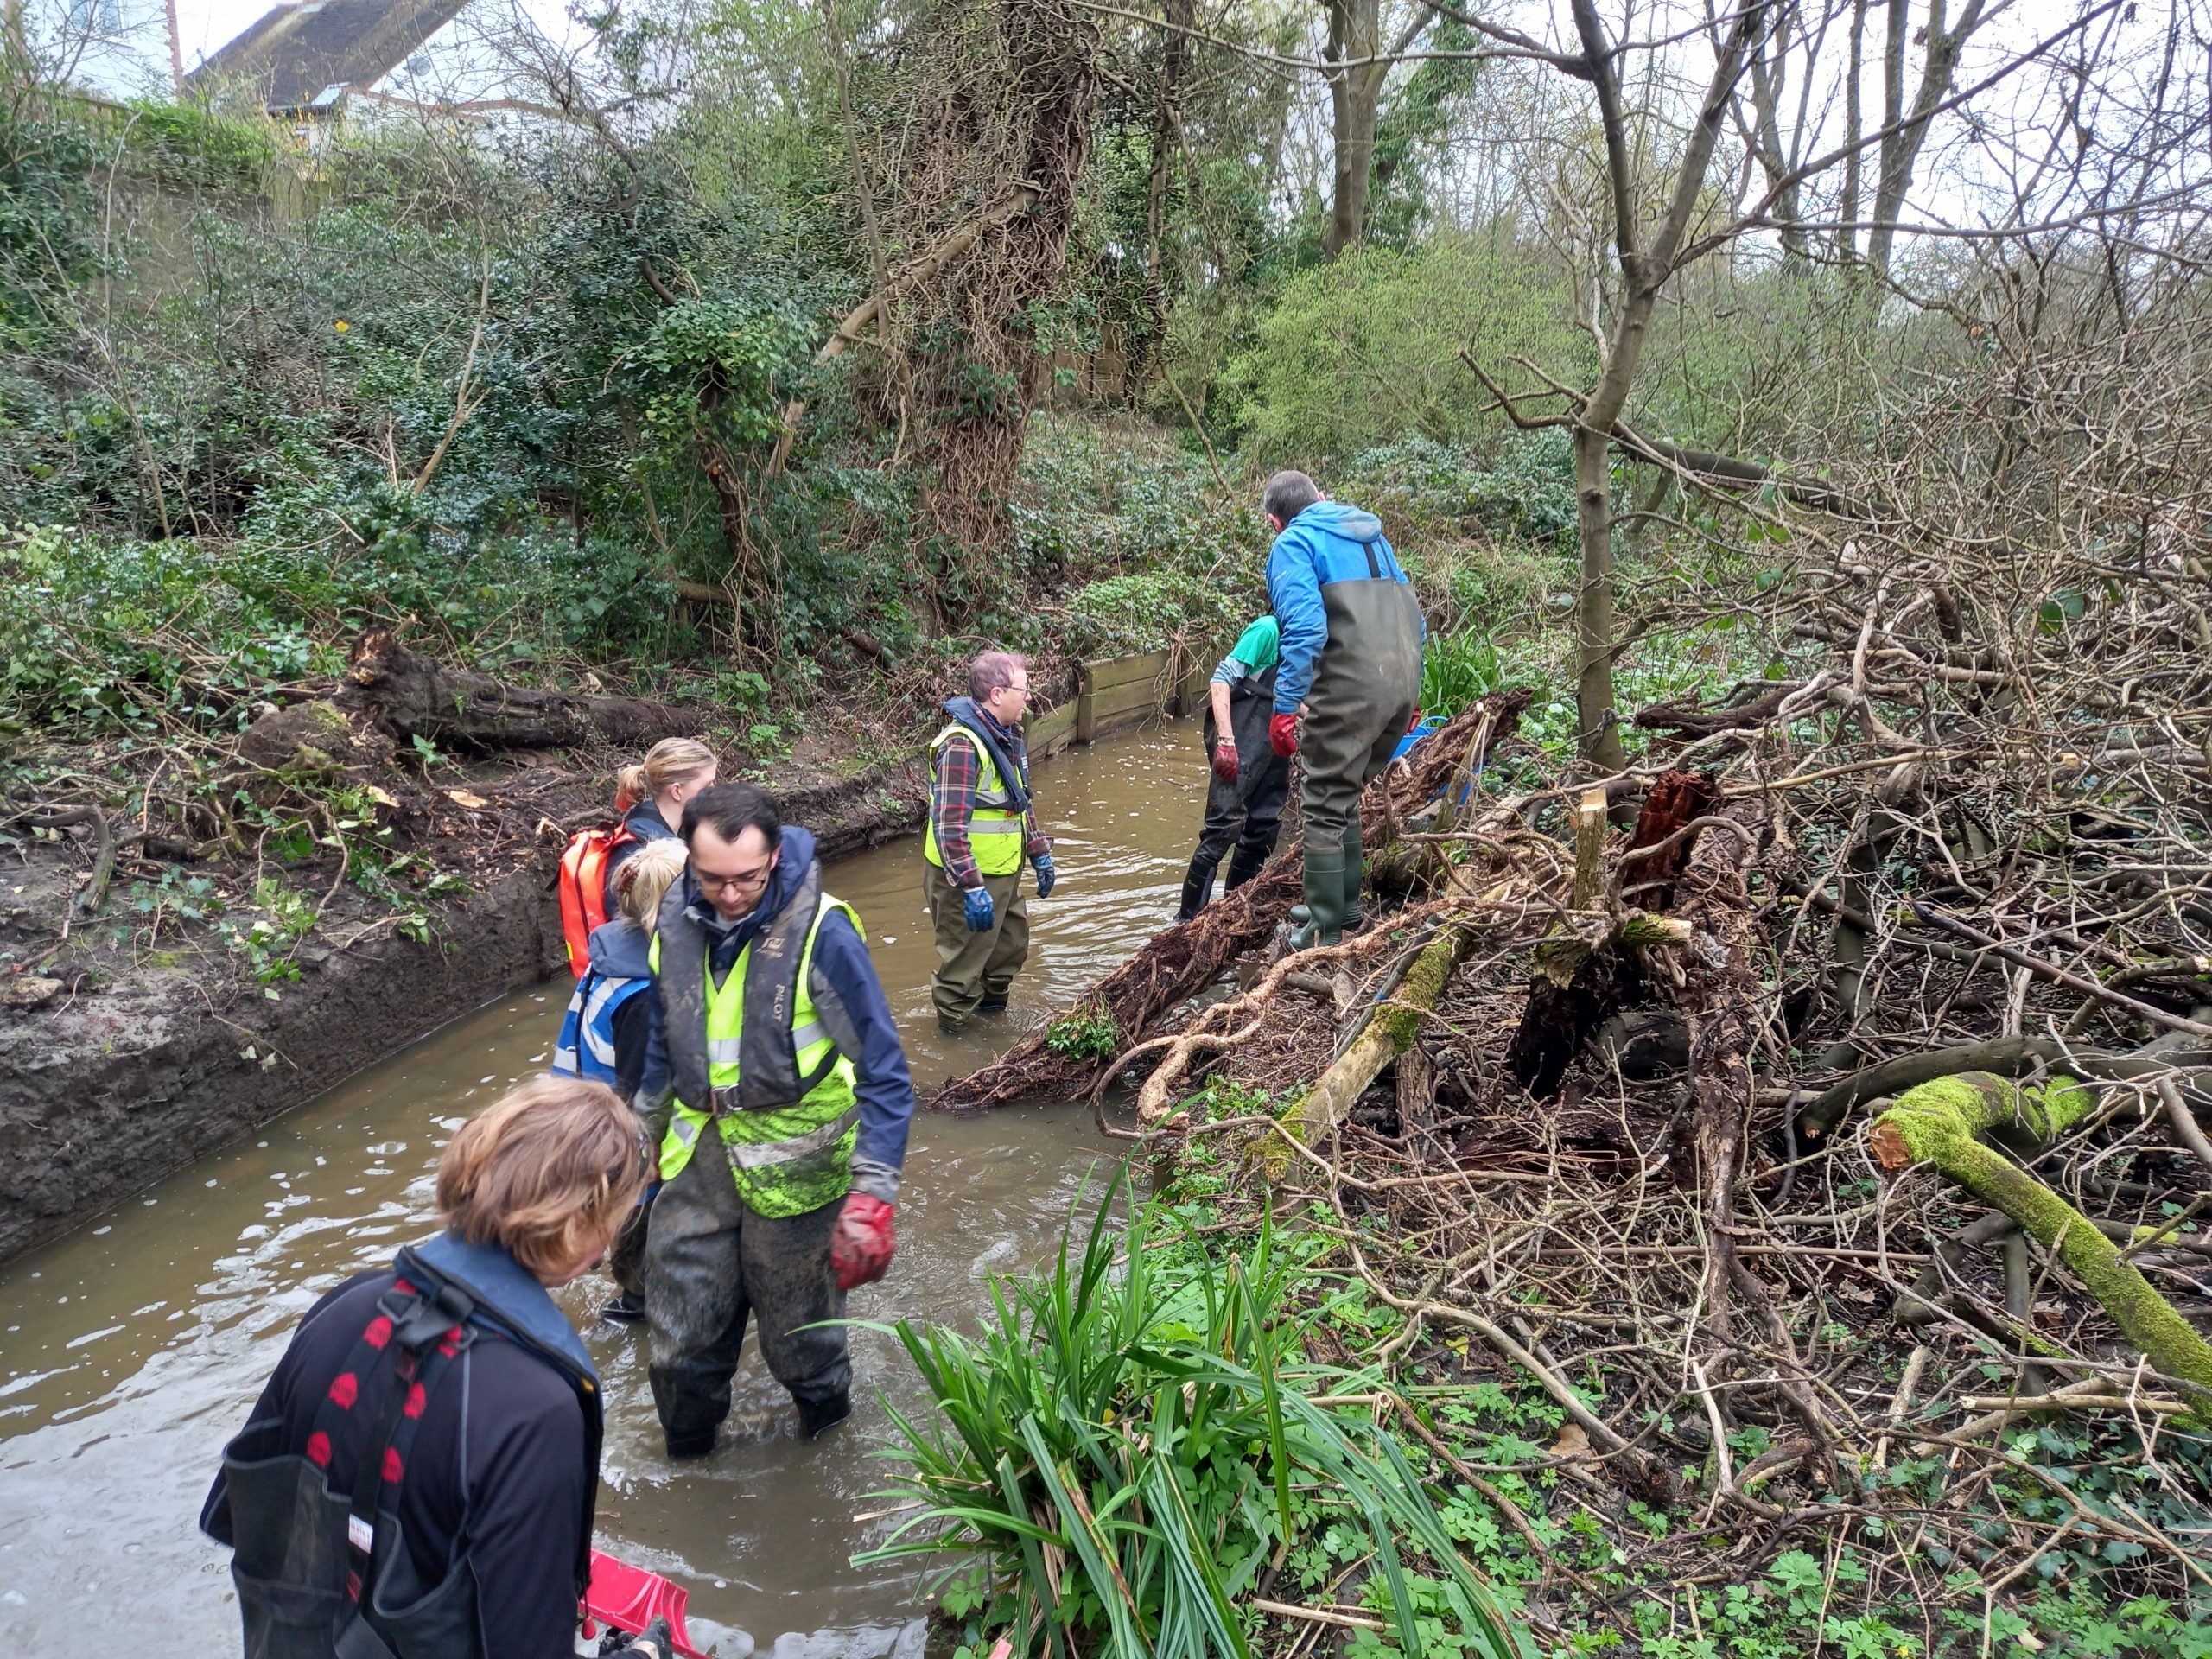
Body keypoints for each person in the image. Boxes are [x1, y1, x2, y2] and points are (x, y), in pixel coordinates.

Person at [200, 1077, 656, 1659]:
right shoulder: (538, 1408)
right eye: (619, 1217)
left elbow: (241, 1519)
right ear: (581, 1224)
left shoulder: (345, 1307)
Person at [637, 781, 914, 1456]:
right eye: (711, 880)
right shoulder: (672, 923)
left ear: (775, 859)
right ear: (688, 864)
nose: (729, 896)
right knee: (680, 1346)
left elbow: (886, 1073)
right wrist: (631, 1146)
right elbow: (658, 1050)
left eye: (748, 880)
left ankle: (826, 1446)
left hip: (799, 1175)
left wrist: (873, 1195)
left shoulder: (825, 936)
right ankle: (689, 1465)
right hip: (698, 1164)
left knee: (803, 1345)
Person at [1263, 470, 1423, 948]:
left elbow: (1307, 630)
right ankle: (1343, 906)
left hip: (1352, 686)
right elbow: (1414, 616)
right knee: (1346, 793)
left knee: (1324, 799)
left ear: (1275, 521)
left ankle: (1325, 928)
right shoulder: (1372, 536)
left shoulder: (1293, 543)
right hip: (1399, 681)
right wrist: (1410, 691)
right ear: (1322, 498)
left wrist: (1285, 706)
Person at [552, 836, 690, 1324]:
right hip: (629, 1143)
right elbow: (643, 1091)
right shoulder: (645, 994)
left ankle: (637, 1294)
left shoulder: (611, 956)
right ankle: (641, 1302)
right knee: (643, 1225)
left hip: (591, 1123)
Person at [922, 650, 1058, 1033]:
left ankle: (990, 1026)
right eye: (1023, 688)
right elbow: (949, 827)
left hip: (1003, 871)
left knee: (1009, 951)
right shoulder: (963, 745)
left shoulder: (1005, 736)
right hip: (965, 880)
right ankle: (953, 1049)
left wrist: (1038, 853)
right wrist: (970, 886)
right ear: (997, 693)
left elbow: (1019, 799)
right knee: (961, 970)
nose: (1028, 696)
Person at [1177, 614, 1293, 921]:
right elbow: (1220, 681)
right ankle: (1186, 922)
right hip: (1238, 735)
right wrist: (1226, 742)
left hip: (1272, 742)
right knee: (1223, 827)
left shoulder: (1305, 642)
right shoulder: (1267, 631)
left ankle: (1232, 916)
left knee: (1263, 828)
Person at [603, 737, 719, 914]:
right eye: (707, 785)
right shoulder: (643, 854)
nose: (714, 790)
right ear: (677, 791)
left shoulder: (648, 822)